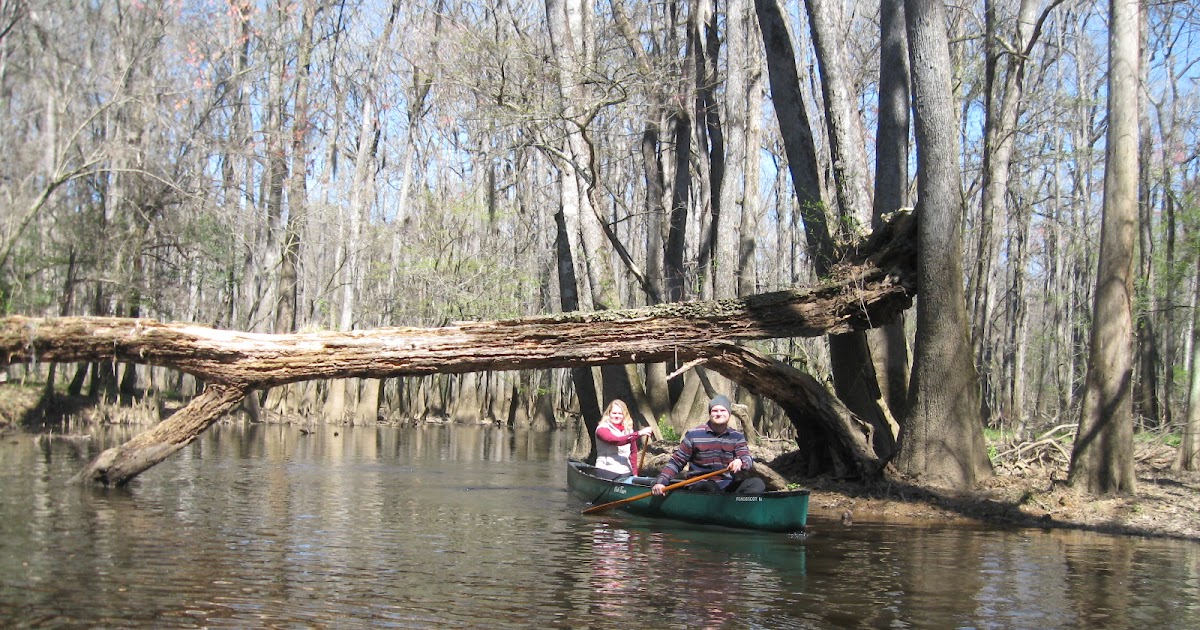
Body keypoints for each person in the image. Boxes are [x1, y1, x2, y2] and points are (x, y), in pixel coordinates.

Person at [651, 394, 766, 495]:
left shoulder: (737, 437)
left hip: (727, 486)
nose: (719, 414)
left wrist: (740, 461)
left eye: (723, 410)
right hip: (700, 486)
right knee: (710, 487)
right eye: (715, 411)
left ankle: (743, 503)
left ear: (729, 414)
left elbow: (747, 458)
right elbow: (676, 462)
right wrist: (661, 482)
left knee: (758, 484)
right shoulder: (694, 435)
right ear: (710, 414)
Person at [593, 399, 654, 479]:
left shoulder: (629, 430)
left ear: (624, 415)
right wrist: (639, 433)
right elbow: (616, 440)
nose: (617, 416)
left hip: (626, 472)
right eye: (614, 413)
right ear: (609, 414)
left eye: (620, 413)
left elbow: (633, 453)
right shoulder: (601, 429)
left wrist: (634, 474)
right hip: (606, 471)